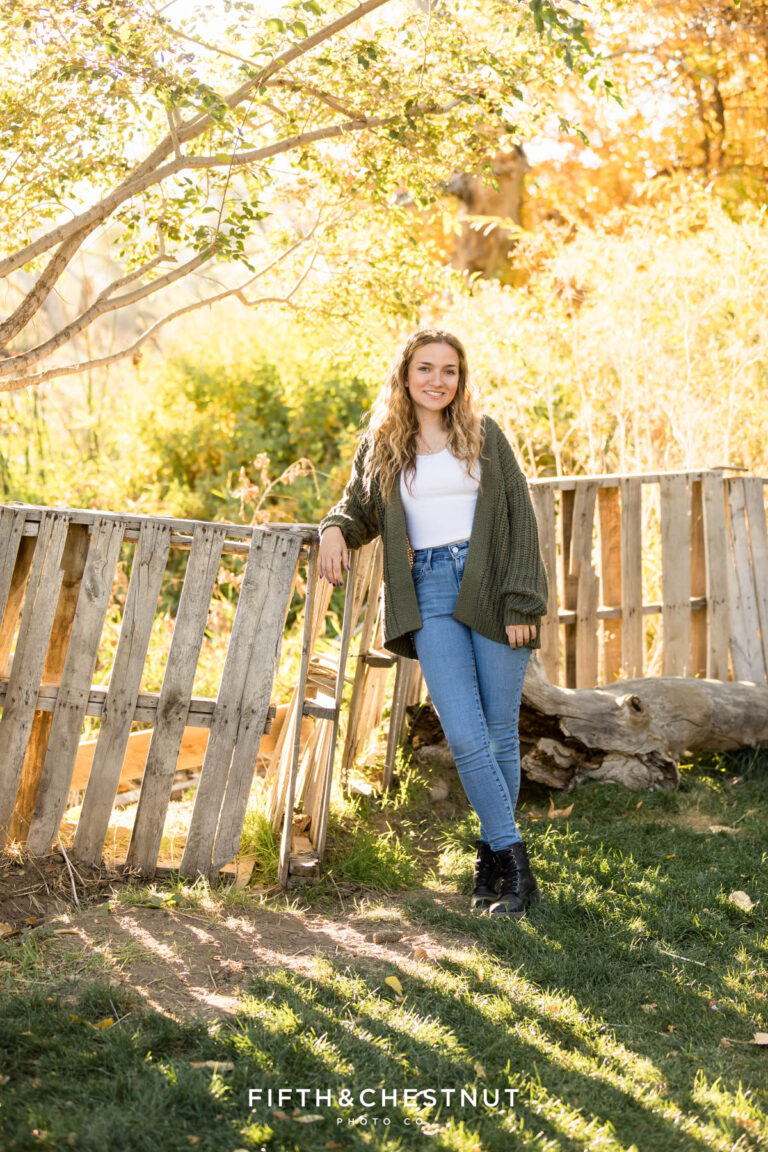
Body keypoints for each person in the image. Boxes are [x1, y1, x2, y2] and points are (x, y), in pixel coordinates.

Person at [317, 329, 548, 919]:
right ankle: (516, 865)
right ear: (405, 375)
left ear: (460, 378)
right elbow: (357, 507)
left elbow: (520, 518)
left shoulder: (485, 434)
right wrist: (332, 528)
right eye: (425, 368)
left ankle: (493, 866)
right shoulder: (382, 445)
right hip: (429, 588)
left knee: (499, 734)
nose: (437, 380)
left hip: (493, 584)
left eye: (449, 370)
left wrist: (523, 603)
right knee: (466, 736)